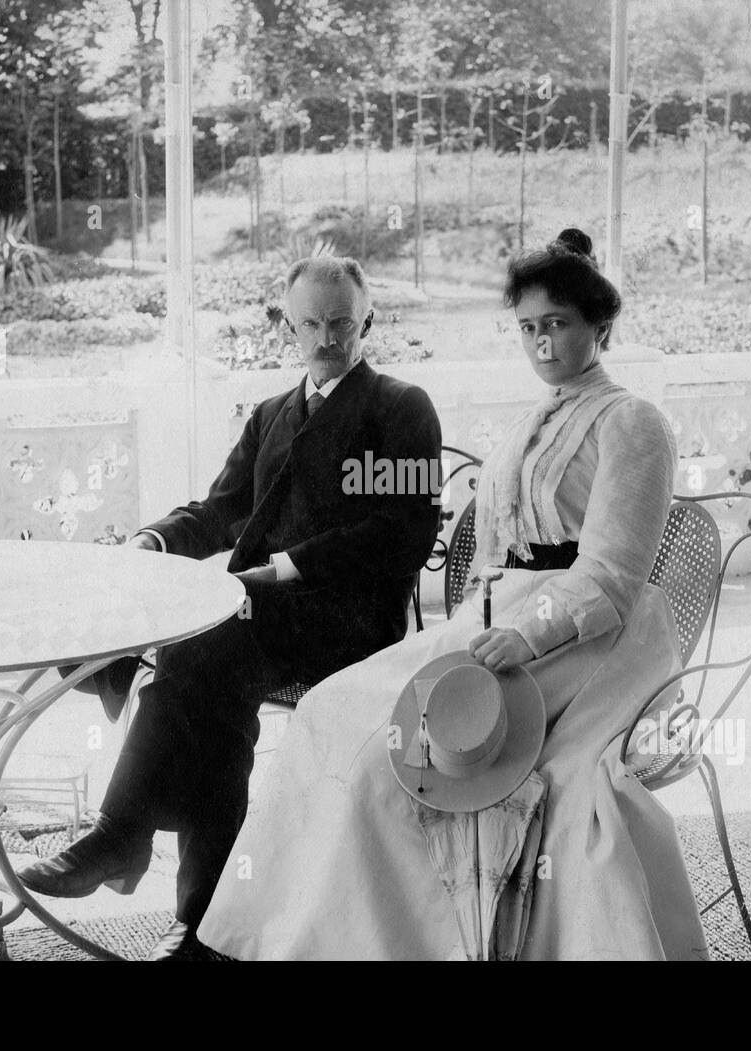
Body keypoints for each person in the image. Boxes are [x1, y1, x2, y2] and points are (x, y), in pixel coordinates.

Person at [195, 228, 710, 960]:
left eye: (558, 325)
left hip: (588, 640)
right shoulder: (537, 418)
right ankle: (287, 936)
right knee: (325, 712)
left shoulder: (633, 423)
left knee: (394, 759)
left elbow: (613, 577)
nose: (542, 344)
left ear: (601, 325)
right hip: (495, 617)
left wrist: (525, 635)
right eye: (529, 328)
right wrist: (473, 620)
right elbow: (496, 551)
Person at [18, 256, 443, 961]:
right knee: (207, 691)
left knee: (202, 645)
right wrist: (154, 538)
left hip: (351, 624)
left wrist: (287, 564)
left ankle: (122, 833)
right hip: (261, 620)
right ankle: (202, 927)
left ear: (367, 321)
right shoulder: (274, 414)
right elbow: (220, 510)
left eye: (342, 322)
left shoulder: (401, 406)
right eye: (311, 323)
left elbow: (404, 530)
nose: (327, 338)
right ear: (288, 326)